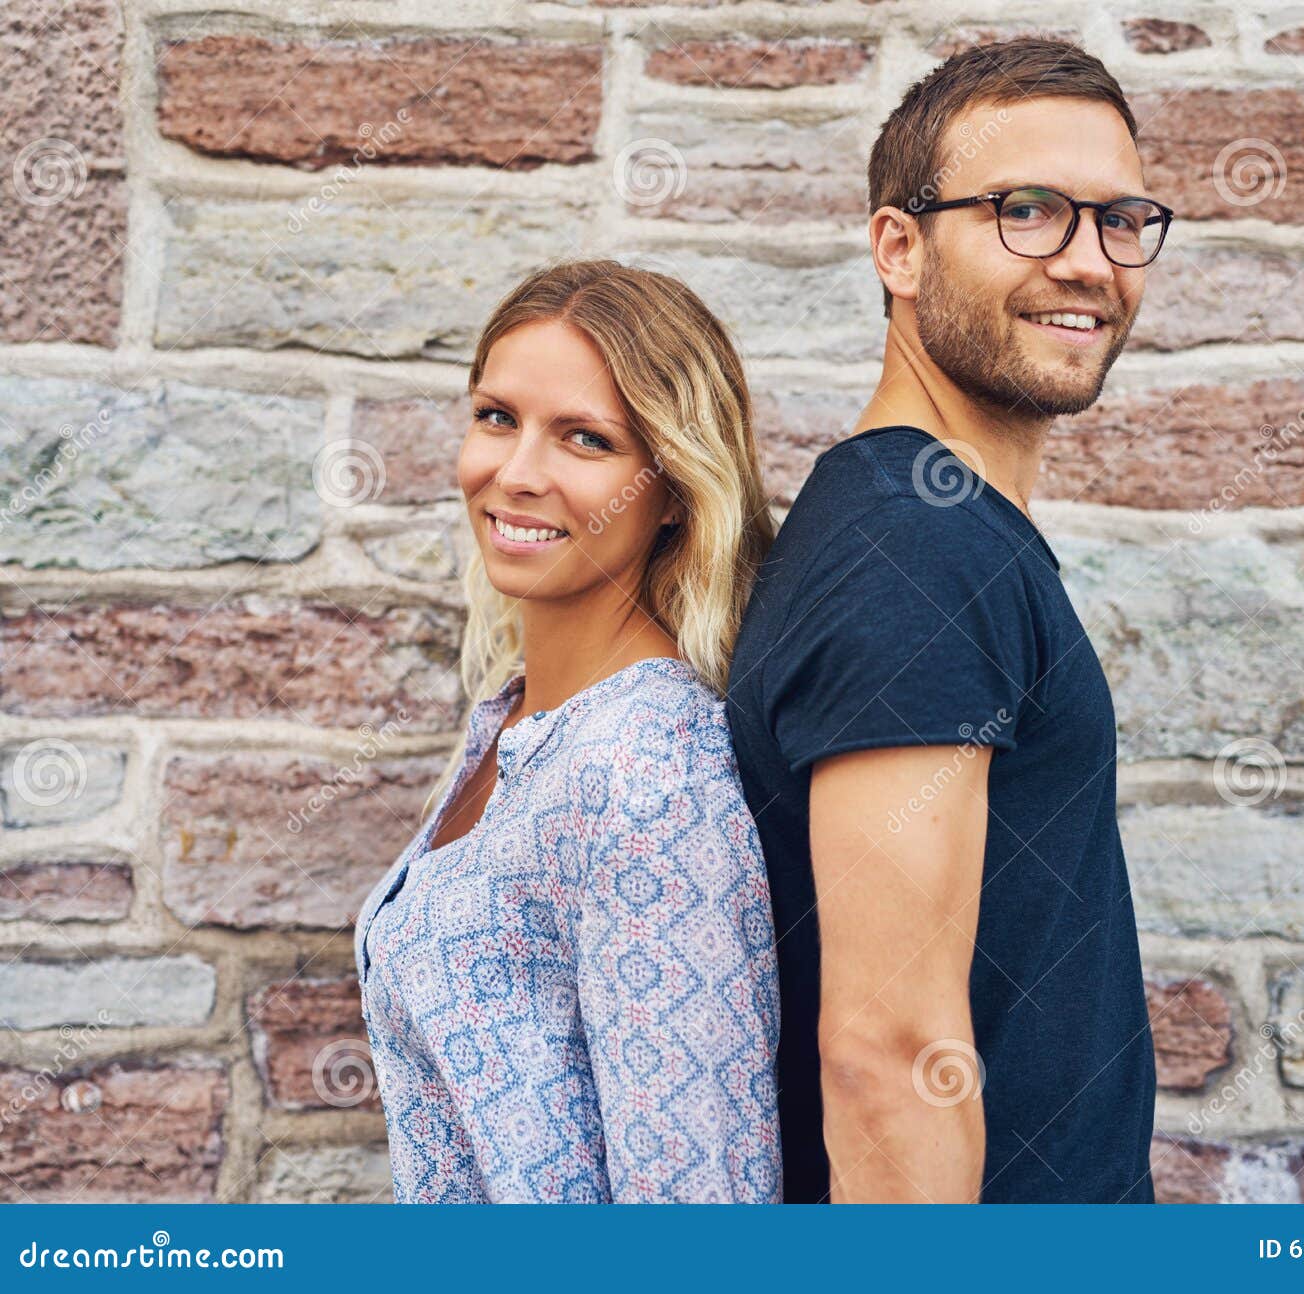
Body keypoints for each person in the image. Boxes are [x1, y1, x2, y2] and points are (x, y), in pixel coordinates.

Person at [725, 37, 1170, 1203]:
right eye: (1027, 211)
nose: (1087, 262)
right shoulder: (916, 551)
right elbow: (885, 1059)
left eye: (1120, 220)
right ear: (899, 246)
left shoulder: (936, 528)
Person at [354, 259, 782, 1203]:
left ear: (671, 487)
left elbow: (695, 1205)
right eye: (497, 416)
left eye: (584, 439)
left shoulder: (647, 774)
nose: (515, 473)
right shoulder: (512, 720)